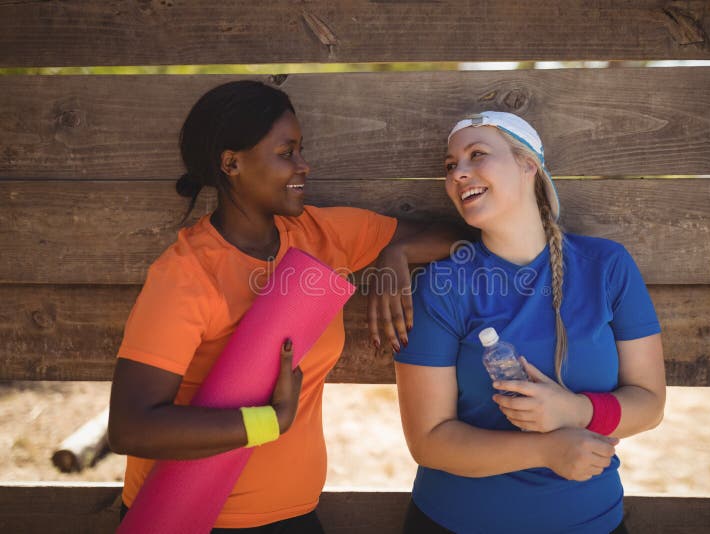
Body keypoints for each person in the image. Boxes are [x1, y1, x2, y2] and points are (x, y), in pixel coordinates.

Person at [108, 80, 459, 532]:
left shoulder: (321, 237)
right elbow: (131, 427)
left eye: (301, 149)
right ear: (231, 163)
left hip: (294, 517)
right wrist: (268, 422)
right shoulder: (187, 275)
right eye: (286, 152)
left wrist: (397, 253)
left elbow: (461, 237)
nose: (303, 165)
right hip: (189, 516)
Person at [394, 111, 666, 534]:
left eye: (476, 155)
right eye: (451, 166)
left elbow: (649, 404)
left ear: (528, 165)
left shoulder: (607, 267)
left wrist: (576, 411)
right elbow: (428, 441)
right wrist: (548, 449)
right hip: (456, 522)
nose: (459, 173)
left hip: (591, 522)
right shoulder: (441, 285)